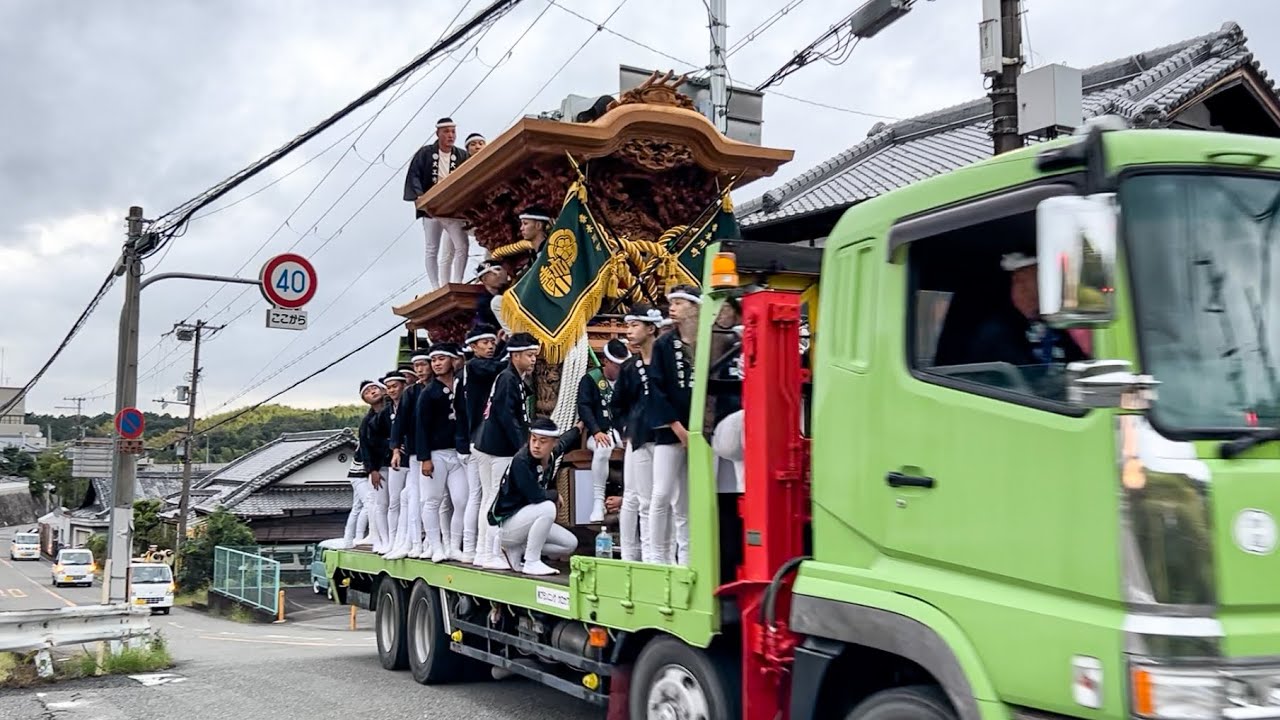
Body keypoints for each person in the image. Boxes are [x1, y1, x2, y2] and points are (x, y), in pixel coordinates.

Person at [473, 332, 540, 570]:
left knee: (489, 499)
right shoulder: (508, 379)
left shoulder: (513, 378)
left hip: (489, 444)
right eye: (530, 355)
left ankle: (483, 551)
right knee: (494, 500)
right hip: (497, 447)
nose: (534, 360)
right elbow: (506, 416)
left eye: (535, 355)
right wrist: (522, 448)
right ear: (515, 355)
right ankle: (489, 552)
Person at [647, 285, 702, 566]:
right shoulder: (664, 344)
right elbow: (656, 388)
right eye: (672, 302)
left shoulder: (706, 341)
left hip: (700, 431)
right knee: (662, 493)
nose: (673, 307)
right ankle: (657, 556)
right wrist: (678, 427)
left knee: (686, 501)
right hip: (670, 429)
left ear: (694, 307)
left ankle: (687, 557)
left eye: (679, 302)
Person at [488, 417, 582, 576]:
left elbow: (564, 442)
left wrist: (579, 428)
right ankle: (531, 561)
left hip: (524, 522)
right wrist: (555, 494)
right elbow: (536, 496)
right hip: (505, 525)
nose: (537, 445)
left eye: (543, 441)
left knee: (570, 544)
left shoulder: (550, 455)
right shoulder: (522, 461)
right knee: (547, 507)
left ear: (553, 443)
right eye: (534, 439)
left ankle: (520, 550)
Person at [612, 306, 663, 562]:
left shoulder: (667, 361)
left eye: (634, 326)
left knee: (662, 498)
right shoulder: (630, 367)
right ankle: (639, 555)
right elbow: (618, 404)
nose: (629, 331)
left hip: (665, 437)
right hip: (640, 437)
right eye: (628, 326)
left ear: (651, 328)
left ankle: (660, 552)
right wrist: (627, 429)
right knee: (640, 498)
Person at [415, 343, 471, 563]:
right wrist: (425, 458)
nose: (437, 363)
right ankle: (436, 546)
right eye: (434, 360)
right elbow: (421, 426)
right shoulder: (429, 392)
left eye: (441, 359)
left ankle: (454, 546)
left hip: (457, 453)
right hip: (436, 454)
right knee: (432, 501)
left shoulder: (461, 383)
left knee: (462, 500)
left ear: (452, 360)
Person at [456, 324, 505, 562]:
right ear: (473, 347)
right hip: (482, 438)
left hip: (477, 438)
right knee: (481, 495)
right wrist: (510, 347)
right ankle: (474, 547)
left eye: (492, 343)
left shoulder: (474, 368)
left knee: (481, 495)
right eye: (484, 343)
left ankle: (476, 548)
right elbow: (500, 367)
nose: (489, 346)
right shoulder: (476, 366)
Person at [404, 117, 471, 288]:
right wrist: (419, 197)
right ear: (438, 134)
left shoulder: (461, 155)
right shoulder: (425, 153)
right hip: (431, 208)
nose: (450, 135)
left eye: (453, 132)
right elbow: (415, 175)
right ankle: (435, 286)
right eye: (446, 132)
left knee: (461, 244)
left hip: (451, 208)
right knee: (432, 248)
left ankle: (457, 281)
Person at [385, 351, 432, 560]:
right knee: (414, 497)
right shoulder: (411, 392)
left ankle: (430, 541)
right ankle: (412, 542)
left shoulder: (441, 387)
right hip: (415, 452)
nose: (420, 369)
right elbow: (400, 423)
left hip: (440, 448)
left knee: (434, 500)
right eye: (417, 365)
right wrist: (395, 449)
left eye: (424, 364)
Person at [578, 339, 629, 523]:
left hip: (621, 434)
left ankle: (628, 497)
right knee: (602, 448)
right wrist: (596, 430)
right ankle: (598, 502)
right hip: (598, 433)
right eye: (617, 366)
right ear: (606, 362)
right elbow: (584, 407)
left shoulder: (627, 381)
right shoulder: (591, 379)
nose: (620, 370)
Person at [377, 371, 410, 555]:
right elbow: (376, 438)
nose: (392, 390)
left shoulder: (411, 404)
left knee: (410, 500)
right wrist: (393, 446)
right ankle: (391, 539)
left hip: (412, 458)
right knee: (394, 502)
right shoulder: (385, 413)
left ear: (404, 386)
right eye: (388, 387)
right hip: (395, 462)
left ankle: (405, 539)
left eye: (395, 386)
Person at [357, 380, 391, 551]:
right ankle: (381, 540)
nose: (372, 392)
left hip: (398, 464)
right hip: (380, 467)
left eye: (374, 388)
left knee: (396, 503)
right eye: (367, 391)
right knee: (380, 504)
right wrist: (372, 470)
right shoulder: (366, 422)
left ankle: (392, 538)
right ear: (364, 399)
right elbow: (365, 448)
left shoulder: (393, 409)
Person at [474, 260, 510, 332]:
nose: (499, 275)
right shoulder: (484, 302)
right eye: (494, 274)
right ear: (484, 279)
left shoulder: (507, 292)